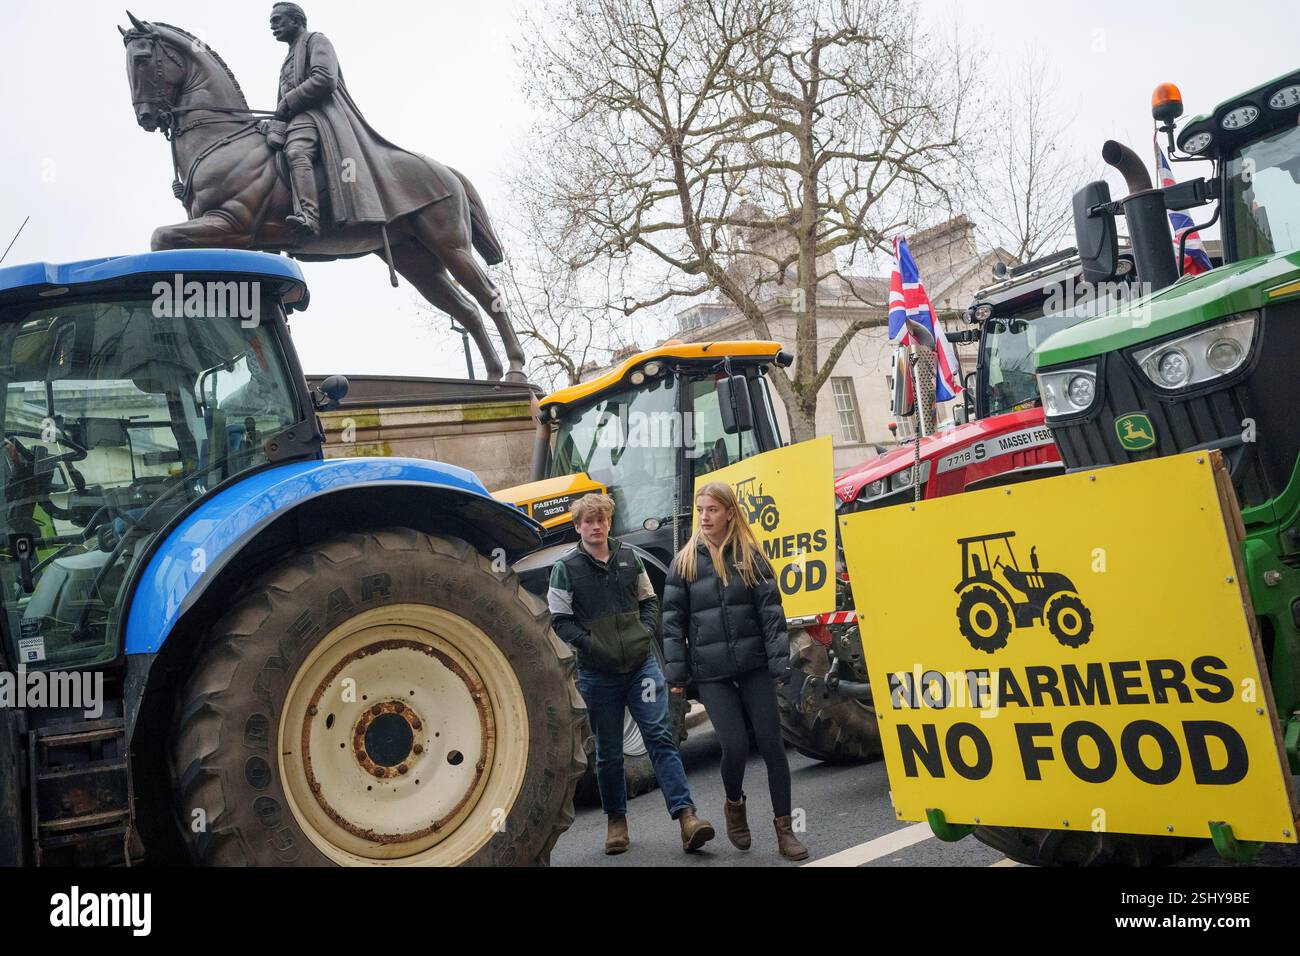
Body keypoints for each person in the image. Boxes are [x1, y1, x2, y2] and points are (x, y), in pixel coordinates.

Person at [547, 493, 715, 855]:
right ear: (578, 527)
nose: (596, 526)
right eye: (588, 522)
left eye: (601, 520)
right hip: (597, 675)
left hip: (641, 668)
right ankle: (616, 822)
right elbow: (560, 621)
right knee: (608, 753)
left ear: (609, 522)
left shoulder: (629, 557)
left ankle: (688, 818)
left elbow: (649, 601)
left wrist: (642, 633)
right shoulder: (566, 568)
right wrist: (592, 646)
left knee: (659, 737)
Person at [661, 481, 809, 861]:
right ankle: (734, 803)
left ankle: (785, 830)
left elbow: (772, 618)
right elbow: (672, 625)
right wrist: (676, 678)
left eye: (712, 509)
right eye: (701, 510)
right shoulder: (685, 562)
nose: (705, 517)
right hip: (712, 674)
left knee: (772, 744)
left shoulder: (751, 556)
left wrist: (779, 664)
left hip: (754, 665)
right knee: (734, 746)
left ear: (729, 512)